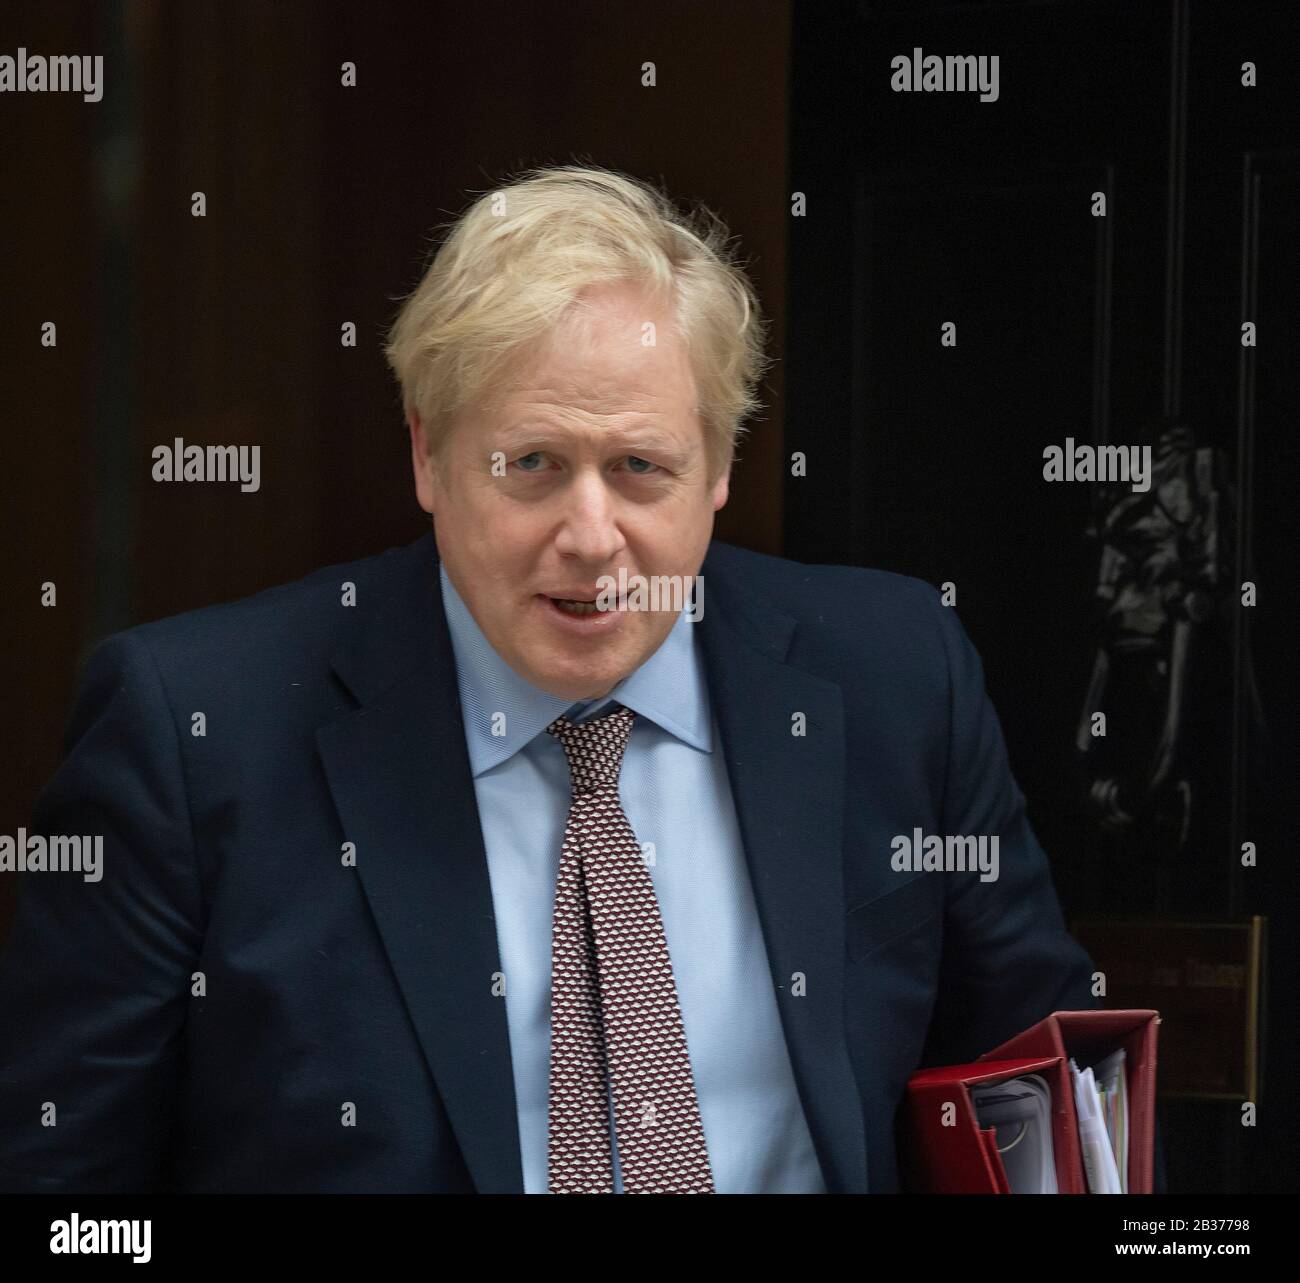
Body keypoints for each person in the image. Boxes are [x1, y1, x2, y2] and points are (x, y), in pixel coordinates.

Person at [0, 164, 1097, 1194]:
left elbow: (1043, 1094)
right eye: (530, 464)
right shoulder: (198, 729)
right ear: (427, 456)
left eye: (640, 468)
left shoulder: (893, 675)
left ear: (718, 468)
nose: (590, 534)